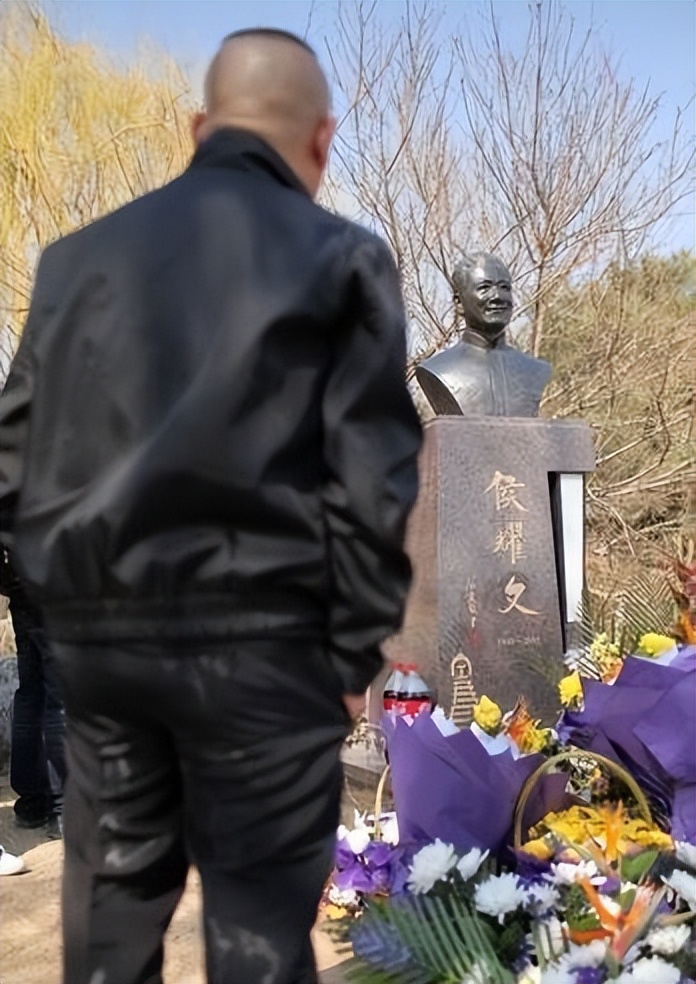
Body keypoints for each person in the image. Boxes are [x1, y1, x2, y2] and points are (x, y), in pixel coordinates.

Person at [0, 27, 422, 984]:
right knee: (259, 945)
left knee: (108, 941)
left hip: (105, 656)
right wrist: (349, 658)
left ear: (200, 126)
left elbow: (14, 459)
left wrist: (72, 615)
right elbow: (374, 480)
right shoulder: (345, 260)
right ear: (322, 140)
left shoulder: (75, 263)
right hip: (269, 653)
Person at [415, 252, 552, 416]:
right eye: (484, 288)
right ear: (459, 303)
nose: (497, 296)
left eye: (504, 287)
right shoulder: (438, 369)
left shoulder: (535, 370)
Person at [1, 547, 66, 839]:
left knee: (30, 692)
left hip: (19, 580)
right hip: (55, 581)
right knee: (59, 695)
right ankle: (64, 806)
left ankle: (31, 801)